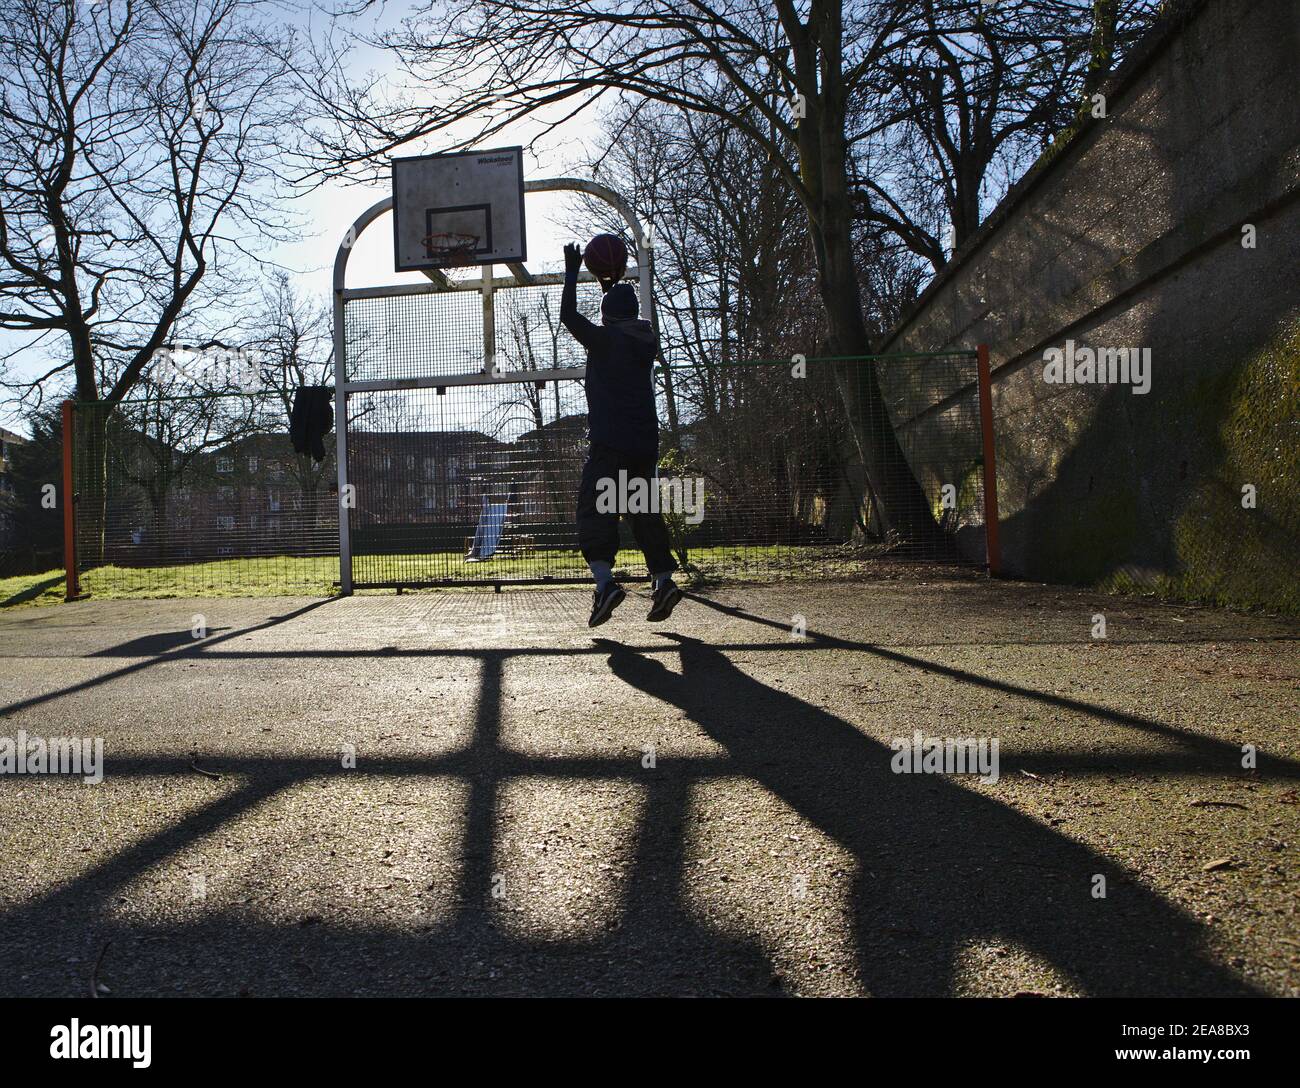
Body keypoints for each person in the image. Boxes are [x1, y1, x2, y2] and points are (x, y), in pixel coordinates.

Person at [560, 241, 683, 627]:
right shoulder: (643, 340)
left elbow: (568, 315)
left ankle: (605, 584)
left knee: (593, 511)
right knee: (644, 513)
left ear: (607, 319)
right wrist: (608, 285)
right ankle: (663, 581)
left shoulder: (603, 339)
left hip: (610, 444)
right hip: (643, 445)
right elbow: (617, 318)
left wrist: (572, 270)